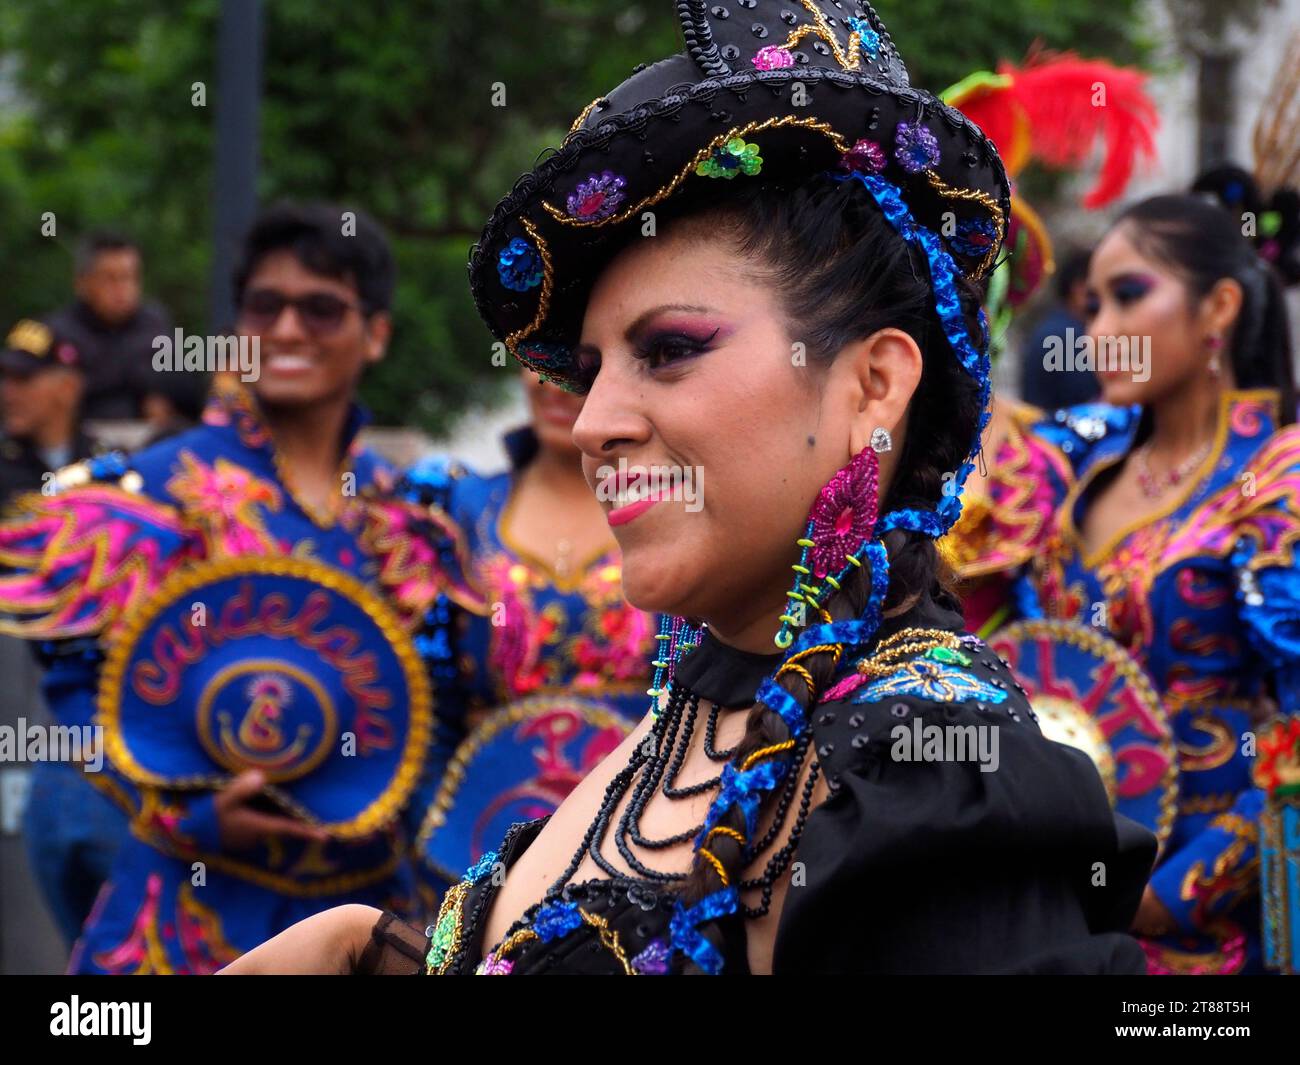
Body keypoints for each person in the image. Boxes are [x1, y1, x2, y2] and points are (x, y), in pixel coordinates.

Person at [223, 1, 1153, 976]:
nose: (593, 423)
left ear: (873, 384)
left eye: (669, 351)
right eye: (589, 373)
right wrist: (358, 952)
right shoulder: (708, 699)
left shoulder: (930, 767)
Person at [0, 202, 480, 973]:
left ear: (376, 334)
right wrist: (188, 812)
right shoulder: (157, 489)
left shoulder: (409, 517)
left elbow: (446, 719)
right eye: (266, 305)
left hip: (365, 914)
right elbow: (75, 679)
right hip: (191, 915)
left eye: (322, 308)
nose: (288, 329)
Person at [1019, 194, 1299, 974]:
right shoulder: (1077, 468)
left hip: (1205, 935)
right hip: (1054, 908)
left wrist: (1170, 894)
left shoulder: (1279, 480)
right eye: (1092, 305)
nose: (1098, 332)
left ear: (1219, 306)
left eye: (1130, 295)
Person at [404, 368, 653, 895]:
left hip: (640, 850)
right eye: (539, 360)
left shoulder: (674, 510)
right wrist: (441, 847)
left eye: (580, 365)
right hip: (477, 854)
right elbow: (426, 710)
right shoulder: (456, 508)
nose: (554, 384)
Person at [45, 231, 198, 424]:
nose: (122, 289)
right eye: (110, 279)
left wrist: (162, 395)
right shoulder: (58, 332)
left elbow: (186, 386)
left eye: (129, 277)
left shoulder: (154, 323)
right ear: (82, 283)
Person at [0, 319, 99, 505]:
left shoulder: (103, 462)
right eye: (5, 378)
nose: (7, 393)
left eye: (23, 379)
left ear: (68, 388)